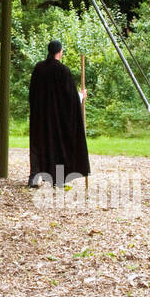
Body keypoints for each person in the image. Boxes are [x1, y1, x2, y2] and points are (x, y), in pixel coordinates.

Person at [28, 40, 89, 187]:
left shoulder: (38, 68)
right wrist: (80, 96)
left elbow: (32, 93)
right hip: (56, 119)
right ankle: (57, 178)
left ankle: (35, 177)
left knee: (39, 144)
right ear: (59, 52)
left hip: (40, 117)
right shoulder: (63, 71)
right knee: (56, 145)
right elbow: (69, 98)